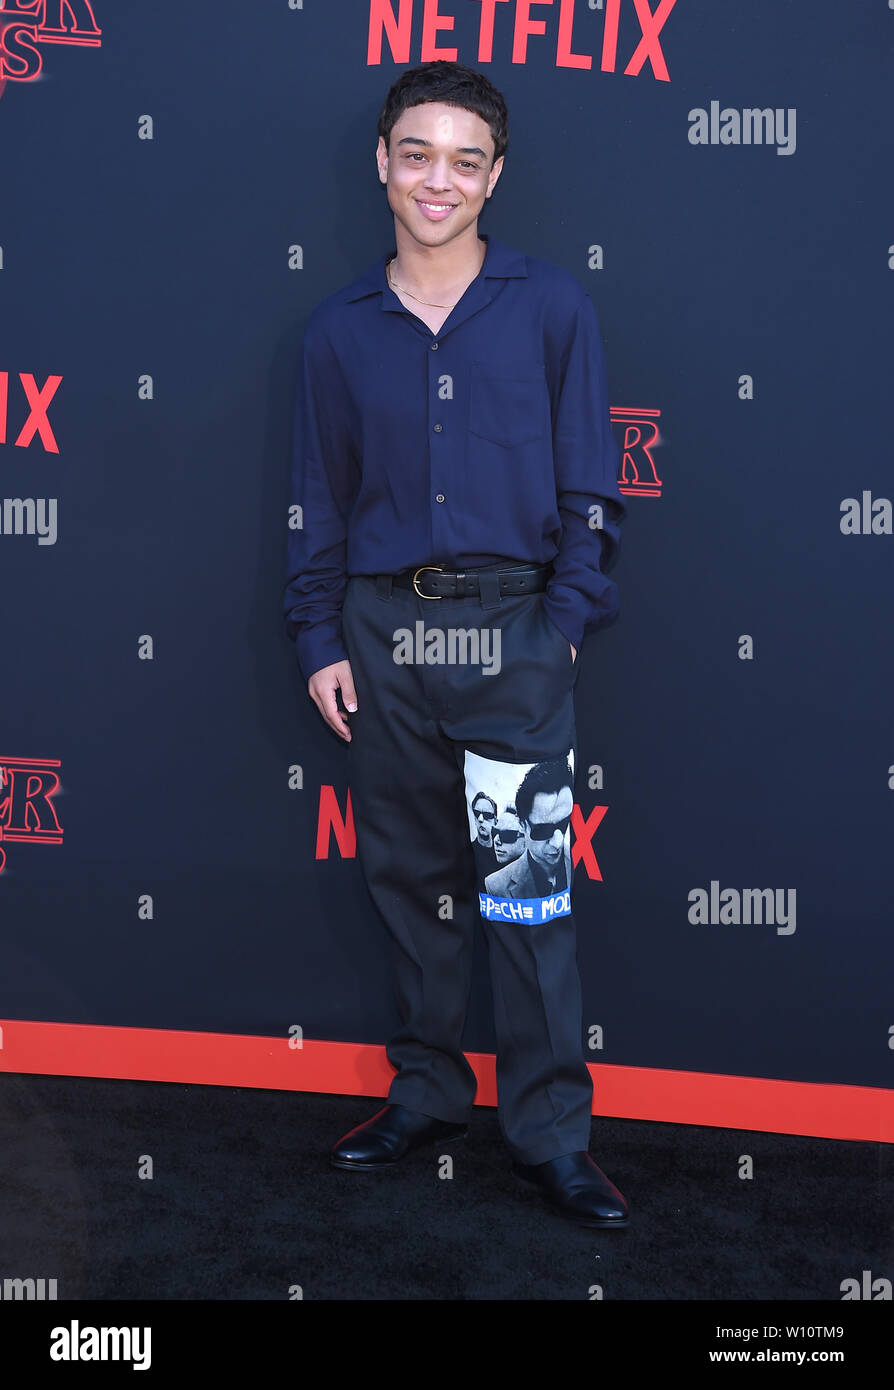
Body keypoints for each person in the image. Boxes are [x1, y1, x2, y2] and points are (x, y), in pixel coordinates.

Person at [283, 60, 629, 1228]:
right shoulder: (337, 330)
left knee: (528, 899)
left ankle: (550, 1135)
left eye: (465, 159)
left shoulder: (551, 308)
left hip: (514, 631)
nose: (440, 178)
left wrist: (564, 626)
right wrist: (318, 633)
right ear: (383, 162)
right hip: (383, 635)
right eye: (418, 153)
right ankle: (426, 1093)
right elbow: (317, 500)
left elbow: (593, 482)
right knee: (412, 887)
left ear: (494, 178)